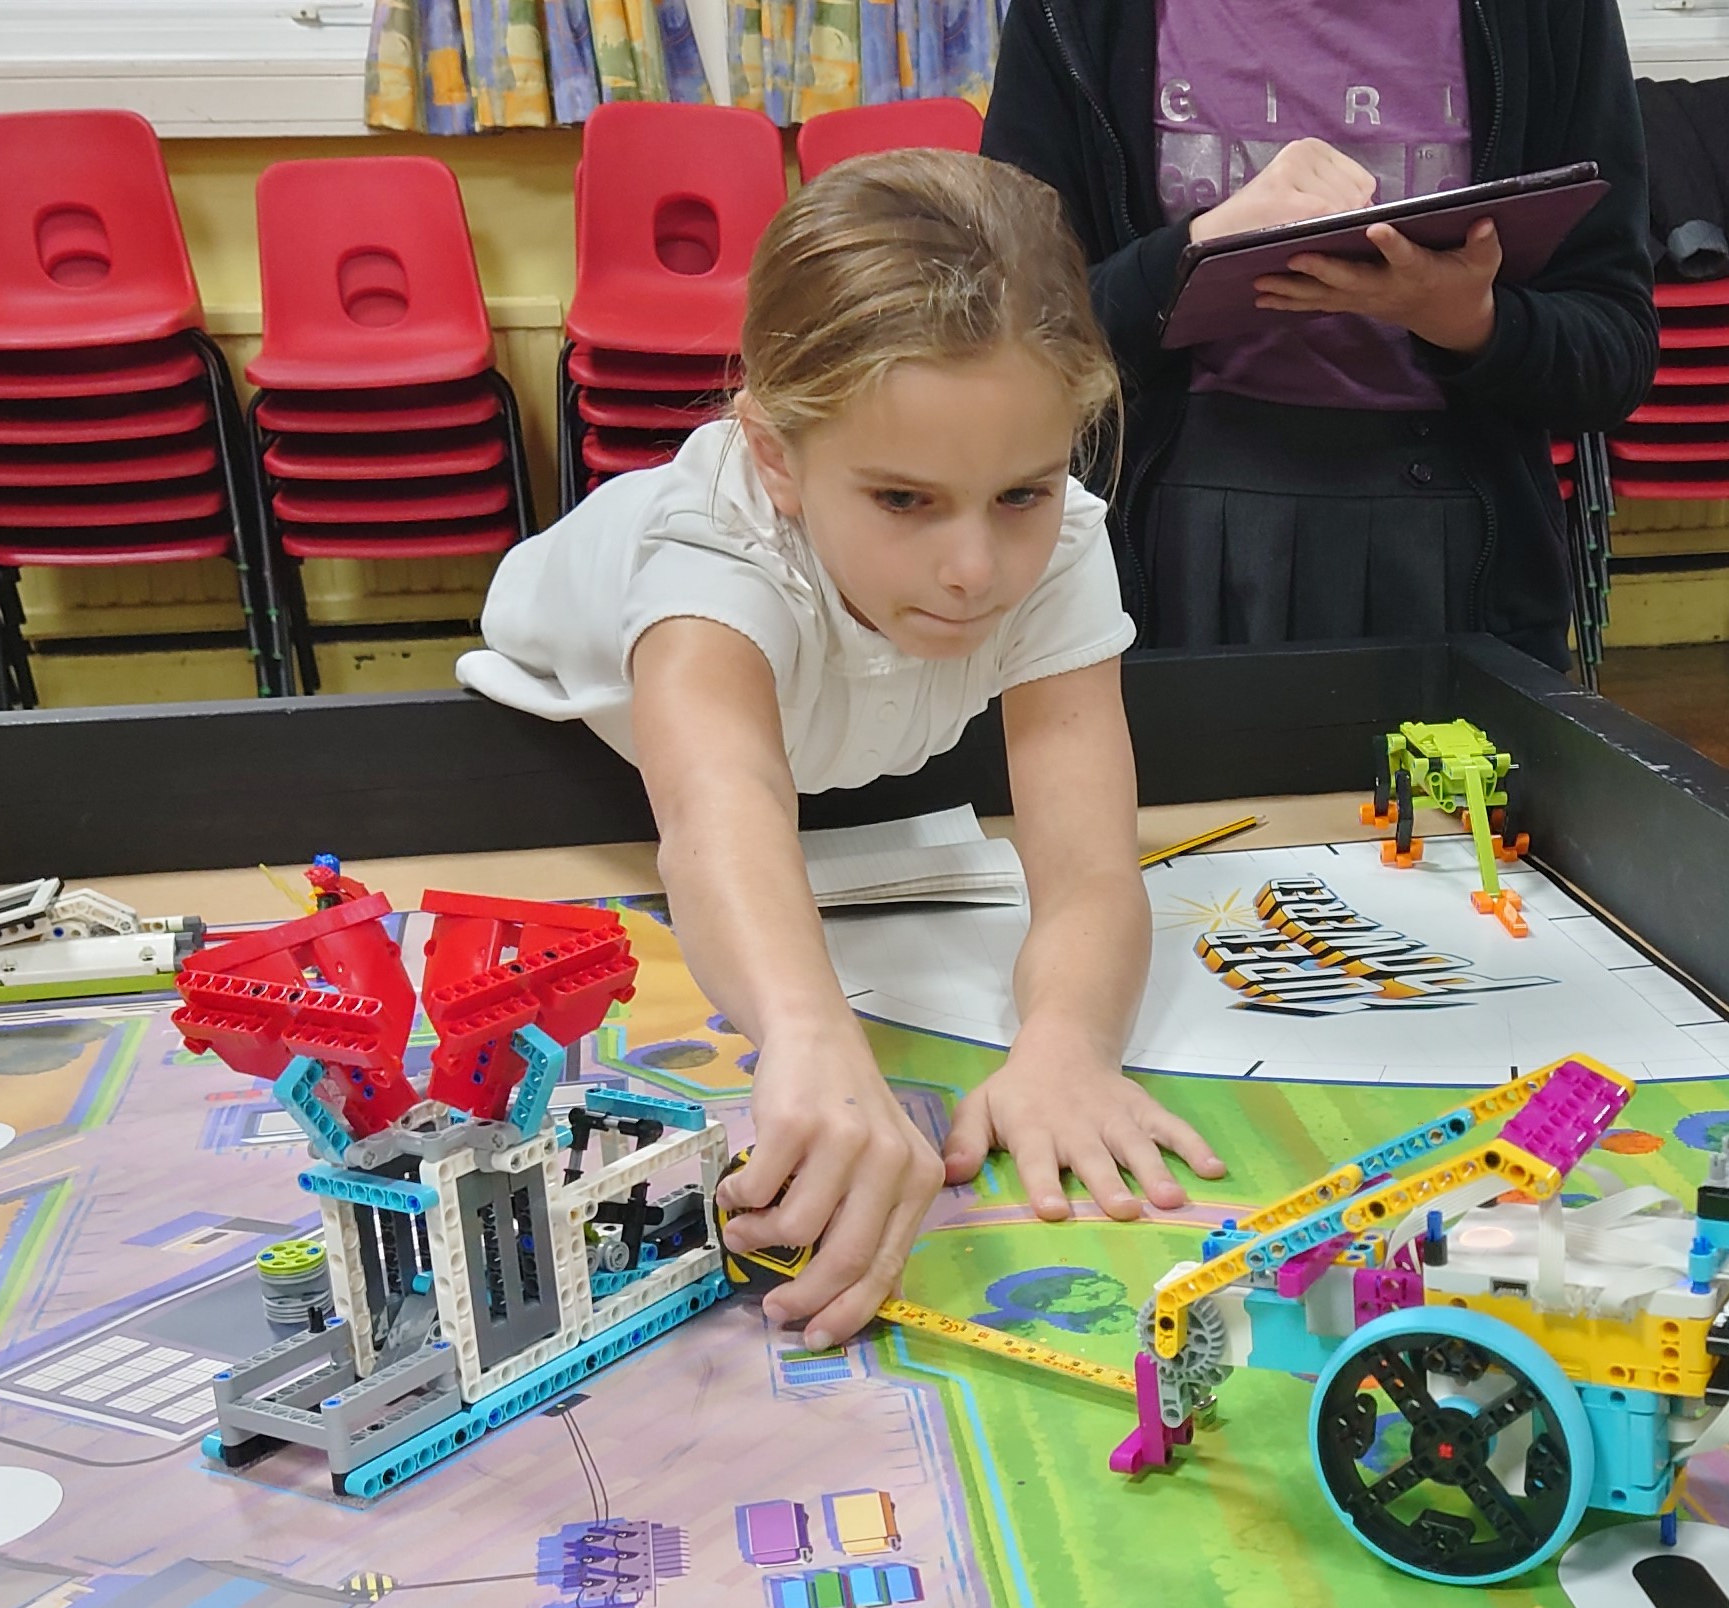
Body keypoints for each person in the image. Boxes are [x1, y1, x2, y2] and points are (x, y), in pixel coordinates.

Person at [457, 151, 1226, 1349]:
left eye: (1018, 493)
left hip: (842, 736)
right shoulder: (710, 545)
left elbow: (1087, 870)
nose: (974, 567)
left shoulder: (1062, 541)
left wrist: (1066, 1044)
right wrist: (811, 1035)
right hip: (559, 691)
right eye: (906, 500)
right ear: (773, 453)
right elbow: (721, 807)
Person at [981, 0, 1656, 666]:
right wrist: (1194, 252)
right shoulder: (1081, 16)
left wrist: (1474, 324)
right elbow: (1006, 345)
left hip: (1459, 547)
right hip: (1167, 537)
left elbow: (1613, 350)